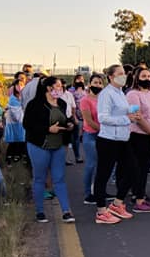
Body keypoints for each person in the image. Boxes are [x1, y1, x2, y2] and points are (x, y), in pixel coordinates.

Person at [23, 76, 75, 223]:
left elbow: (64, 119)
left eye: (61, 86)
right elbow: (27, 124)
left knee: (59, 178)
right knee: (39, 178)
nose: (60, 88)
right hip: (39, 145)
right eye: (57, 86)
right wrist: (47, 129)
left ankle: (66, 211)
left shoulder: (62, 103)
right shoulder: (35, 104)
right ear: (48, 87)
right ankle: (40, 211)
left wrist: (69, 124)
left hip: (58, 145)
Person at [93, 65, 138, 225]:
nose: (123, 76)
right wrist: (126, 119)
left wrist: (132, 114)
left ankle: (117, 204)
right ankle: (101, 211)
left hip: (123, 139)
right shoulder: (106, 94)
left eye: (124, 73)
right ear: (111, 77)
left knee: (133, 170)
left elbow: (121, 111)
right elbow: (103, 118)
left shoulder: (120, 93)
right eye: (120, 74)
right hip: (108, 140)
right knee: (103, 175)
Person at [126, 66, 150, 213]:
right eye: (143, 76)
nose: (147, 79)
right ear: (137, 78)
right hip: (139, 136)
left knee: (145, 168)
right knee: (139, 168)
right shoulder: (132, 95)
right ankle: (138, 200)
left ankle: (140, 194)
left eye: (148, 76)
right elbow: (138, 117)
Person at [79, 73, 104, 204]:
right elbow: (88, 120)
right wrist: (103, 130)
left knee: (102, 165)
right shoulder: (85, 100)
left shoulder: (104, 100)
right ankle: (88, 193)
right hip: (91, 134)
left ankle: (100, 191)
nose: (97, 85)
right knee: (91, 164)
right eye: (95, 82)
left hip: (103, 135)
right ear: (89, 84)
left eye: (100, 83)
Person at [5, 72, 28, 163]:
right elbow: (17, 114)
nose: (20, 87)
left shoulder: (23, 97)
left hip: (21, 123)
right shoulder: (13, 99)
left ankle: (17, 155)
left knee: (20, 141)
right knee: (14, 141)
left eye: (22, 85)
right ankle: (10, 157)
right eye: (18, 85)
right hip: (15, 123)